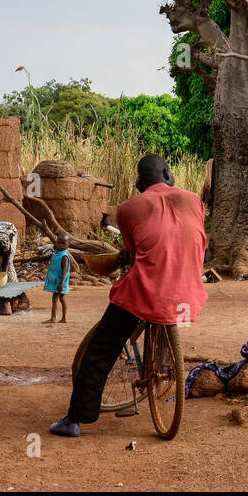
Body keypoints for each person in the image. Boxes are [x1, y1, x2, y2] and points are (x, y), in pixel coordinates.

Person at [50, 154, 207, 437]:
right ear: (168, 175)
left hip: (147, 292)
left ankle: (75, 419)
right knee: (165, 313)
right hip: (188, 292)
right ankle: (164, 367)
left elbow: (134, 251)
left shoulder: (129, 207)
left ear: (138, 183)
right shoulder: (194, 201)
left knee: (100, 349)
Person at [44, 231, 72, 324]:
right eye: (58, 242)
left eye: (63, 243)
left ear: (68, 244)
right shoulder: (57, 253)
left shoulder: (64, 256)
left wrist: (61, 283)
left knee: (56, 298)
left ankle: (54, 318)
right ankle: (63, 318)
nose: (60, 245)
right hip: (57, 281)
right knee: (61, 299)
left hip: (60, 281)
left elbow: (65, 271)